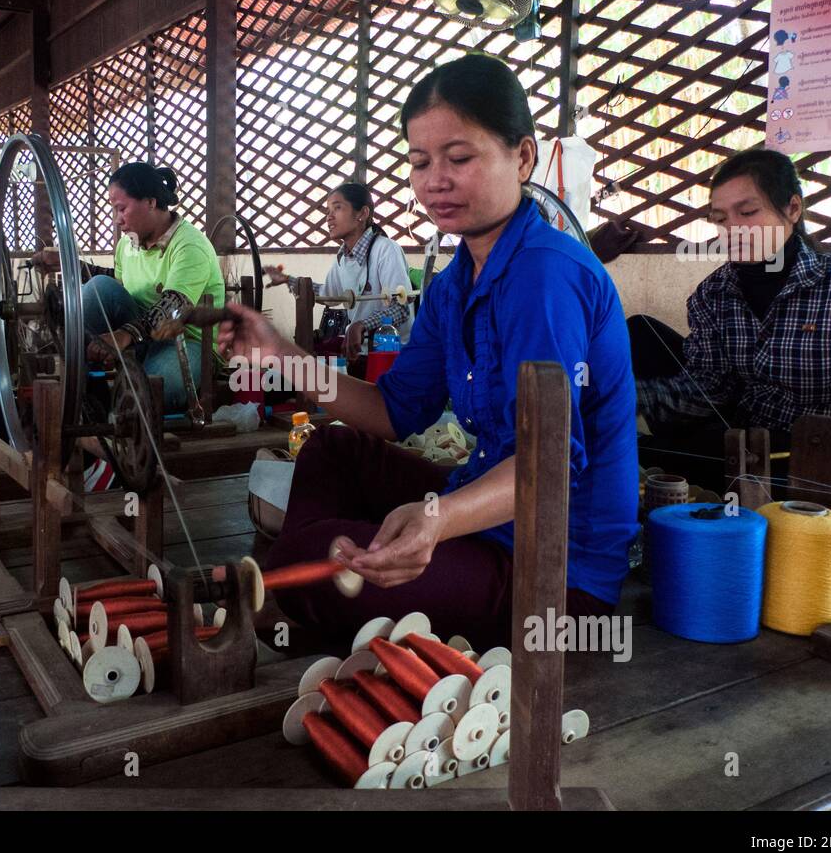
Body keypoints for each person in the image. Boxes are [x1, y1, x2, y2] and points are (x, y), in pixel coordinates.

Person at [216, 54, 639, 650]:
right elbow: (394, 412)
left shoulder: (546, 274)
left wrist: (436, 520)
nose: (434, 180)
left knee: (321, 557)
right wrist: (283, 354)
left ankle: (314, 587)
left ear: (522, 157)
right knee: (332, 451)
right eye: (419, 163)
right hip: (489, 518)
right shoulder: (455, 282)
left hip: (554, 574)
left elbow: (547, 470)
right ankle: (318, 587)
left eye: (459, 158)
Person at [632, 147, 831, 490]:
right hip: (736, 429)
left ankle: (651, 452)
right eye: (720, 219)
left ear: (793, 209)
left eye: (747, 212)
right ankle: (664, 451)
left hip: (811, 449)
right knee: (640, 331)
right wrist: (632, 397)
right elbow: (710, 386)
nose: (732, 228)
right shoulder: (714, 293)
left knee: (651, 452)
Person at [81, 163, 225, 411]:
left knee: (149, 389)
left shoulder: (189, 246)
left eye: (122, 209)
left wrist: (124, 335)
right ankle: (87, 390)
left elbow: (174, 306)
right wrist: (72, 265)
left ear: (150, 201)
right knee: (98, 287)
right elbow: (116, 288)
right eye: (114, 210)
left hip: (188, 343)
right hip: (145, 337)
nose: (117, 220)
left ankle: (116, 413)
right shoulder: (128, 245)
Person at [263, 183, 415, 361]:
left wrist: (361, 325)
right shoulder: (343, 257)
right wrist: (287, 280)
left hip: (390, 352)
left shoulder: (386, 250)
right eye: (328, 211)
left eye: (337, 208)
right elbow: (330, 296)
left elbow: (401, 308)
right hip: (359, 351)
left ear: (362, 214)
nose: (329, 217)